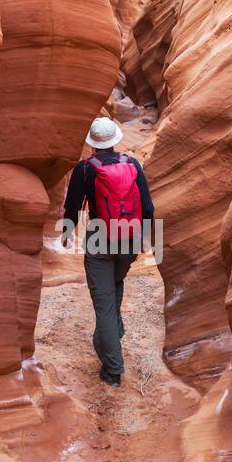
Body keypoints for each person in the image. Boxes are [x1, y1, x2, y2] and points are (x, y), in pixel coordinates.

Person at [60, 116, 155, 386]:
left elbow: (73, 207)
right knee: (116, 282)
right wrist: (145, 239)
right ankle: (115, 330)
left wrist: (66, 235)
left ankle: (113, 370)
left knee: (103, 304)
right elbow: (148, 208)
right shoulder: (132, 164)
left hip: (100, 238)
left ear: (92, 145)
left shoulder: (85, 169)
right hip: (129, 239)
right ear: (115, 141)